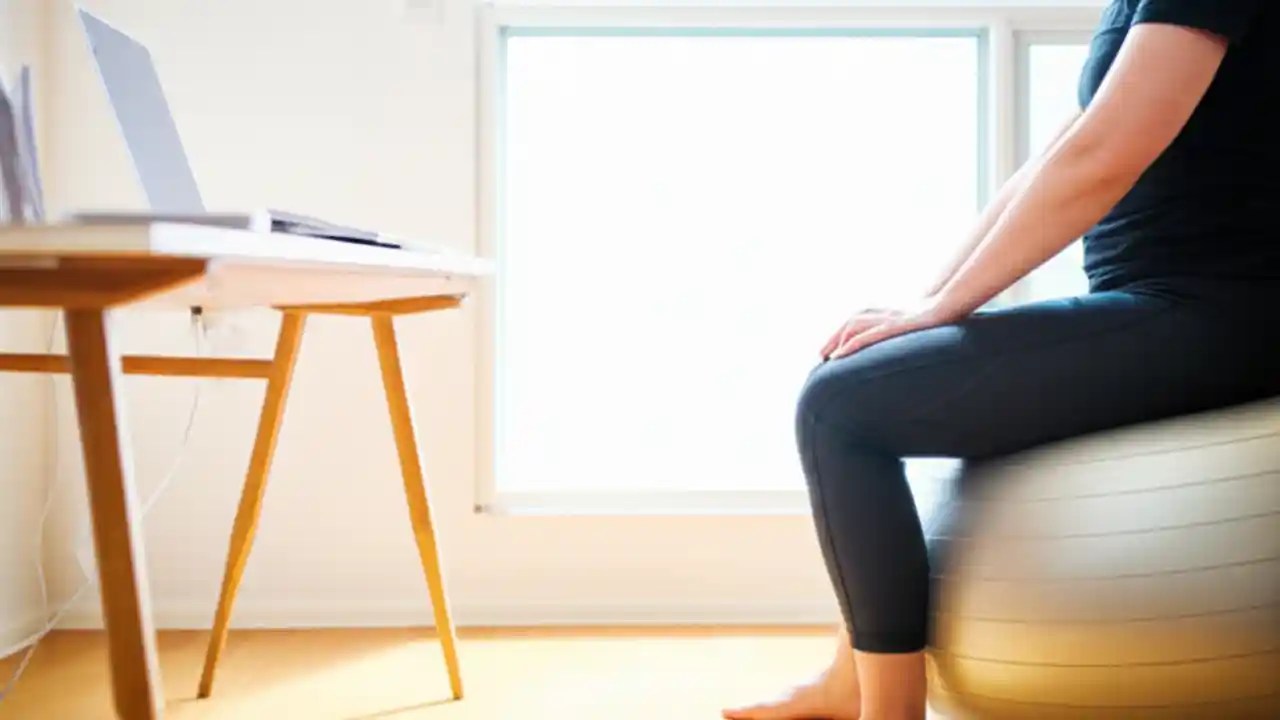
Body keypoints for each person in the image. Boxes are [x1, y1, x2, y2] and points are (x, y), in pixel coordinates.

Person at [723, 2, 1280, 719]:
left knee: (842, 410)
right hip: (1173, 301)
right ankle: (850, 679)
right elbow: (1057, 155)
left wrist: (943, 310)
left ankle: (887, 711)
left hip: (1224, 312)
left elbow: (1106, 154)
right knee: (868, 378)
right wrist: (923, 309)